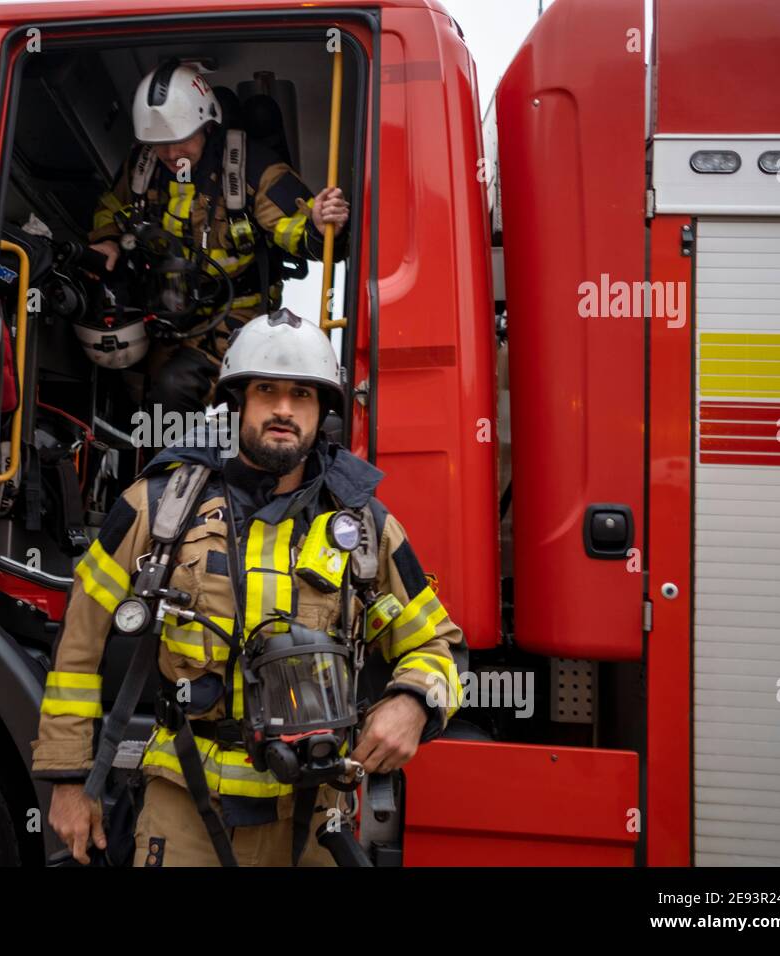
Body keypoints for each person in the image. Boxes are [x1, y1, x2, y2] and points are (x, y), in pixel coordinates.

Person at [32, 309, 468, 867]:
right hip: (185, 806)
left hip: (312, 818)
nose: (283, 410)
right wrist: (70, 780)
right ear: (238, 402)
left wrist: (412, 702)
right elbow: (79, 643)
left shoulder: (364, 529)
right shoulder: (160, 508)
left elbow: (440, 649)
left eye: (302, 396)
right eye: (267, 390)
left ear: (322, 413)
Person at [86, 61, 351, 420]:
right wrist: (108, 241)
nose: (170, 153)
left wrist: (318, 226)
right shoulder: (142, 166)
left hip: (236, 317)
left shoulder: (250, 168)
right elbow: (111, 209)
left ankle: (179, 474)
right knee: (125, 388)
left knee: (175, 389)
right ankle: (151, 467)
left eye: (180, 138)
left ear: (208, 124)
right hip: (164, 314)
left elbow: (294, 231)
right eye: (160, 143)